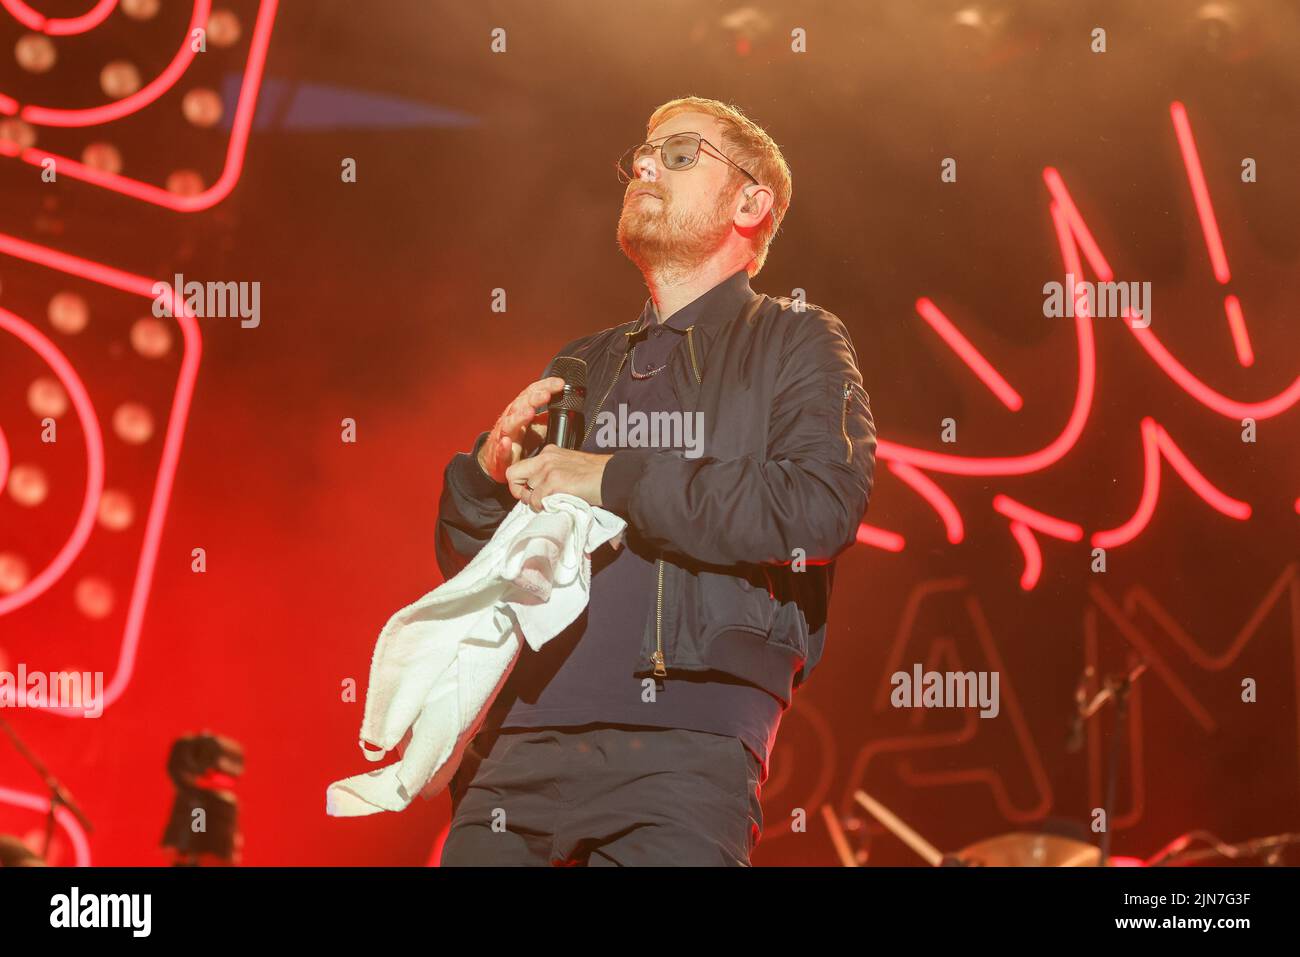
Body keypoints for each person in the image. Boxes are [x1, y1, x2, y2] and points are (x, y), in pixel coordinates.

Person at [435, 96, 876, 865]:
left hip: (688, 749)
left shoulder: (795, 337)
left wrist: (610, 479)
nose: (643, 163)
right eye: (640, 154)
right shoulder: (583, 362)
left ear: (750, 201)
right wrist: (485, 480)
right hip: (520, 742)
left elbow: (816, 509)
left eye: (678, 154)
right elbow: (485, 574)